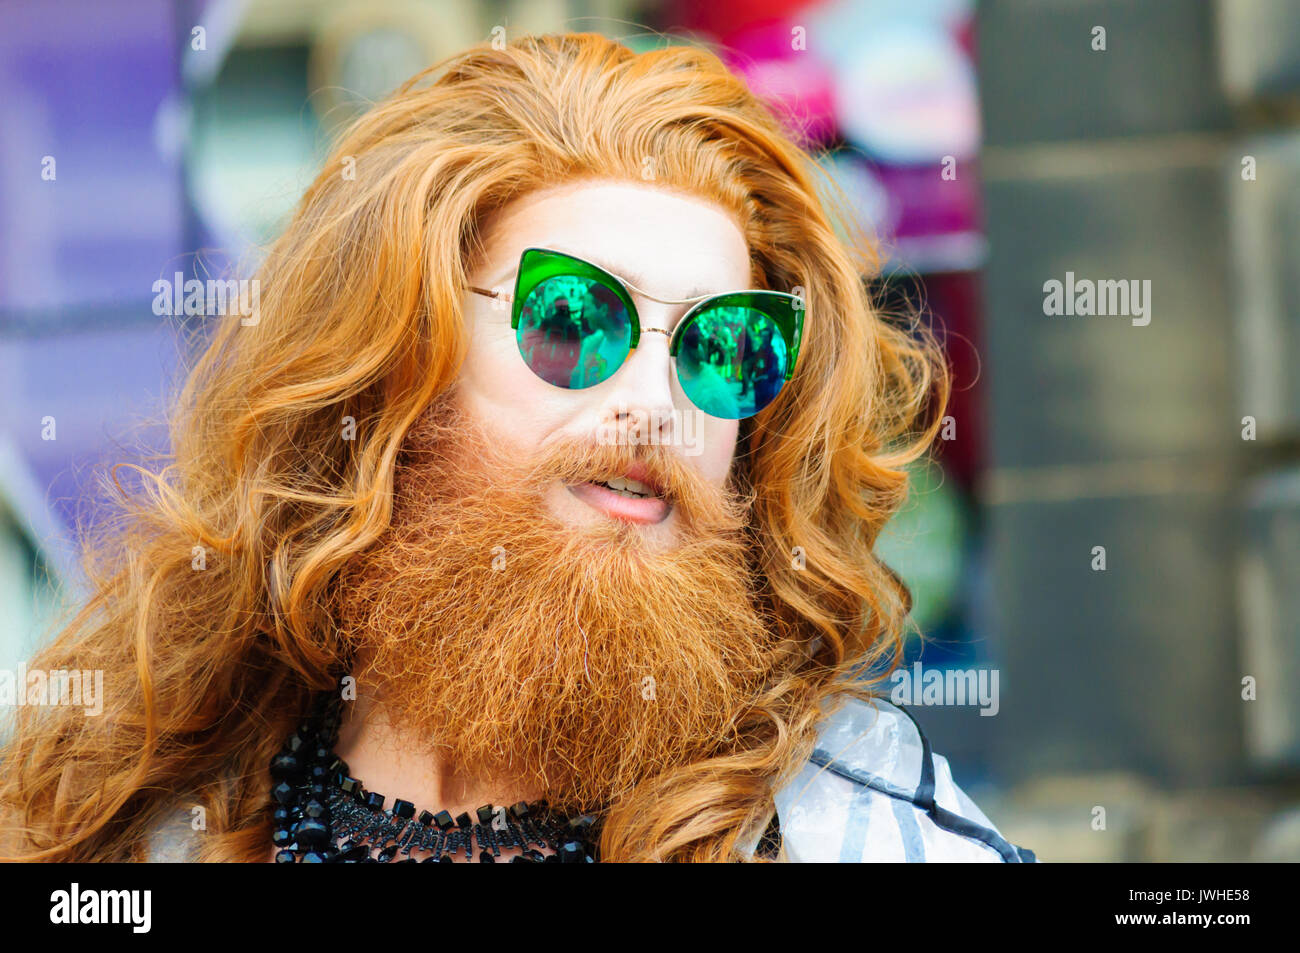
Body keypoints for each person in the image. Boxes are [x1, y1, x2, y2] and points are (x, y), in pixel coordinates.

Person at [0, 34, 1032, 863]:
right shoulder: (138, 821)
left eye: (722, 346)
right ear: (399, 366)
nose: (655, 404)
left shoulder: (855, 833)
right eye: (572, 320)